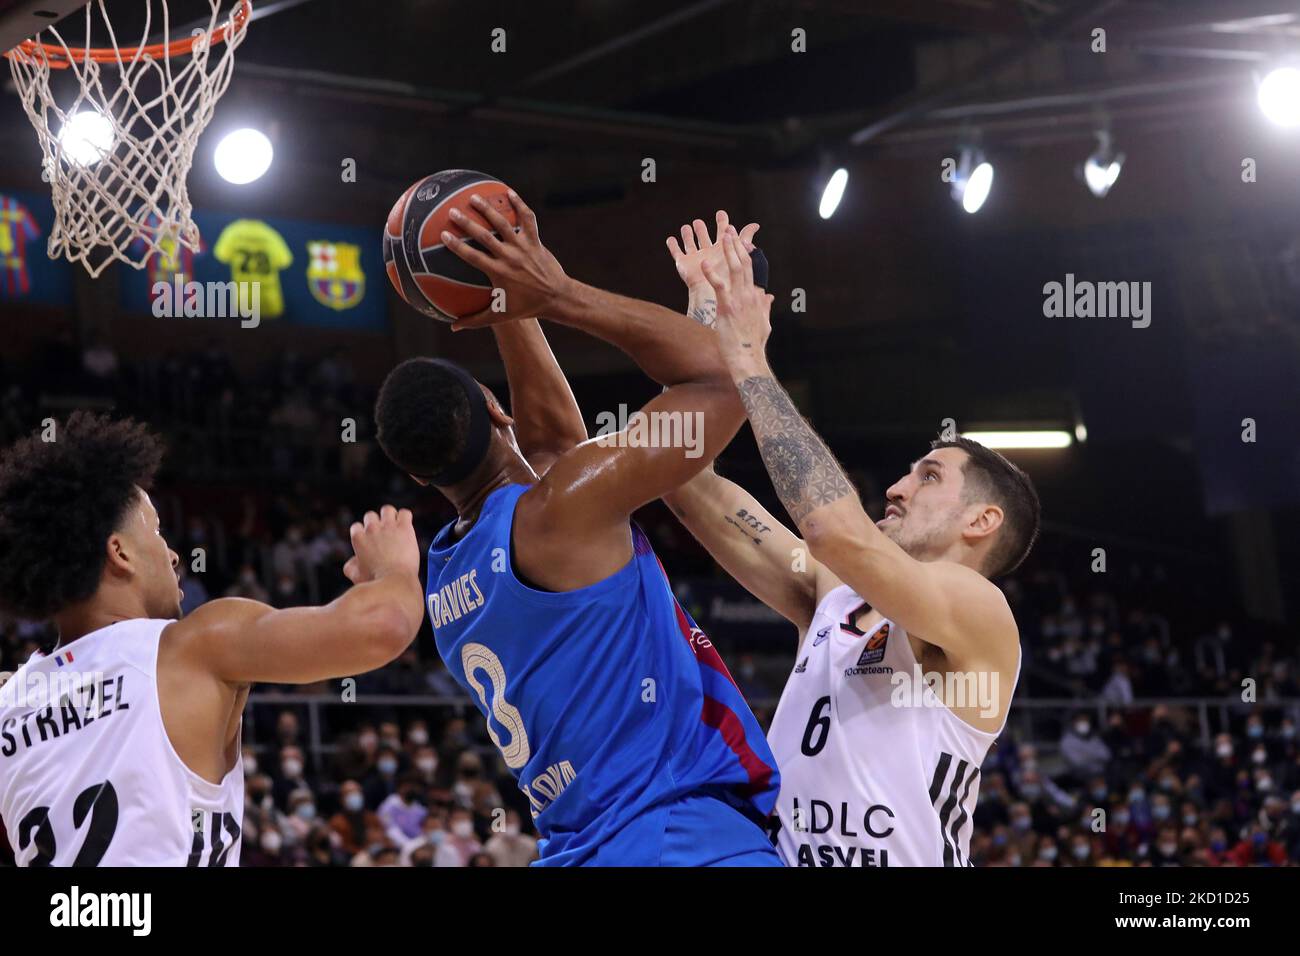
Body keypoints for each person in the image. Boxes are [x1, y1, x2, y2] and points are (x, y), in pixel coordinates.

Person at [372, 191, 779, 866]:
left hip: (580, 849)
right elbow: (727, 378)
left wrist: (504, 299)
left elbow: (556, 448)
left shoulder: (449, 577)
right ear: (496, 411)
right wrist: (554, 293)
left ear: (420, 477)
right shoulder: (557, 512)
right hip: (677, 840)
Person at [662, 229, 1041, 866]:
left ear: (982, 520)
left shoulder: (979, 612)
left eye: (929, 477)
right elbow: (681, 476)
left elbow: (832, 529)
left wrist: (751, 356)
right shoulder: (833, 596)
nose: (896, 488)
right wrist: (708, 325)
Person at [0, 412, 424, 866]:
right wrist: (394, 568)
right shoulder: (194, 646)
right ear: (119, 554)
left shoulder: (10, 702)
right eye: (157, 531)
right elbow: (383, 627)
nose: (173, 552)